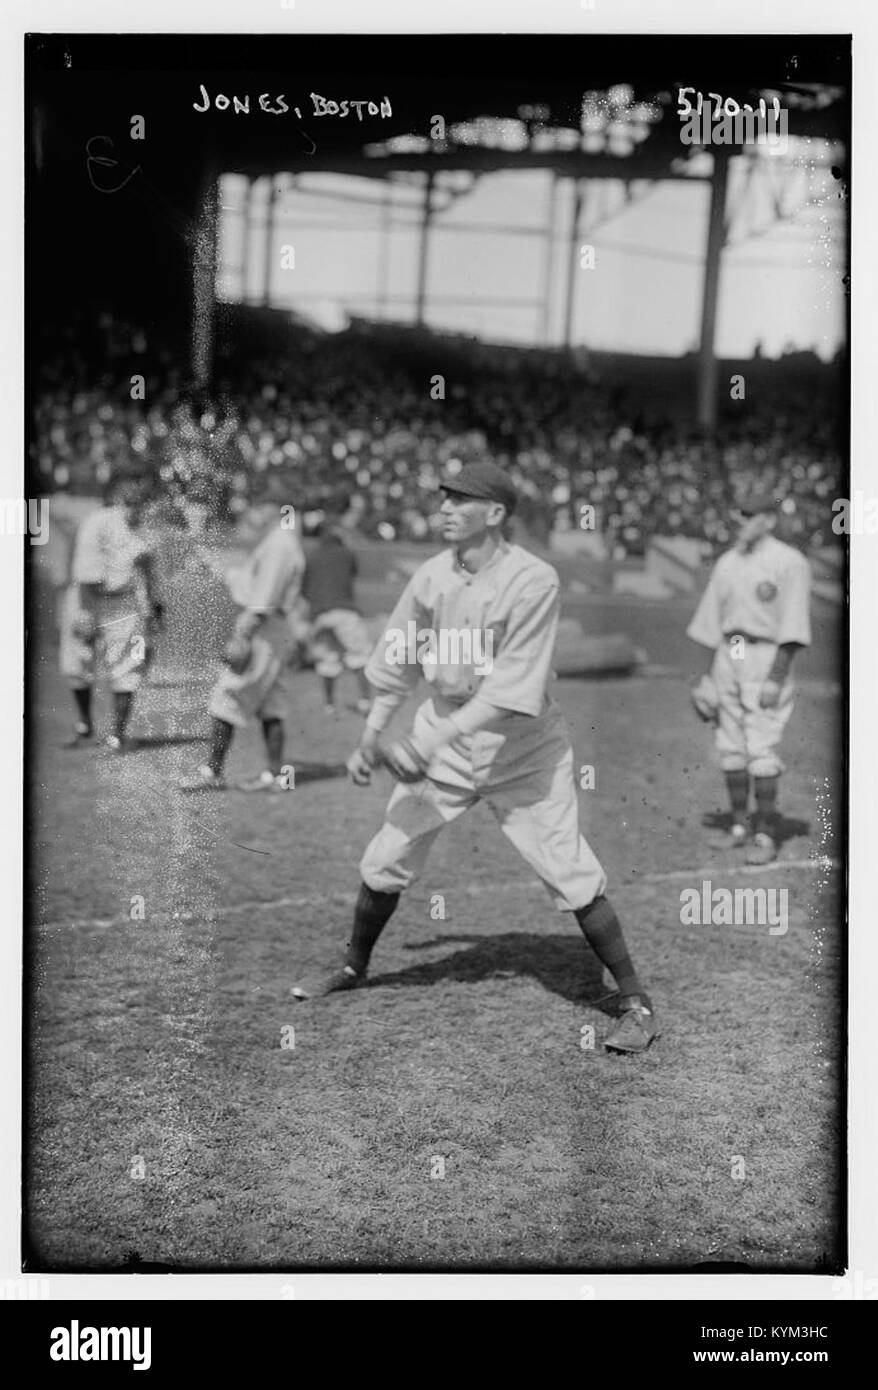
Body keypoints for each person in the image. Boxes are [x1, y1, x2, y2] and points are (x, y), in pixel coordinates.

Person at [292, 460, 659, 1054]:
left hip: (524, 749)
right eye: (443, 497)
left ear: (495, 513)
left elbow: (511, 691)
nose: (444, 507)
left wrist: (426, 742)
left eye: (460, 499)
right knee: (385, 857)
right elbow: (397, 661)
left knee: (570, 872)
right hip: (446, 739)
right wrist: (370, 735)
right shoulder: (431, 576)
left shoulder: (533, 580)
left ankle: (636, 1002)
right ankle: (353, 966)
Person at [687, 489, 811, 865]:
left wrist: (776, 677)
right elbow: (710, 624)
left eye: (748, 515)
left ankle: (765, 832)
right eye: (737, 514)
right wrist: (705, 678)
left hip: (764, 653)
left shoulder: (789, 562)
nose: (739, 521)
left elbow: (793, 625)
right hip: (733, 650)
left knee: (761, 744)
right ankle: (740, 826)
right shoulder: (728, 562)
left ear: (768, 520)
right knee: (730, 743)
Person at [180, 498, 306, 793]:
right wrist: (217, 566)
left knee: (229, 693)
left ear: (274, 510)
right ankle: (275, 776)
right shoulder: (280, 542)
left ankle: (212, 772)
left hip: (262, 627)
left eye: (259, 508)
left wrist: (243, 635)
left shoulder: (280, 544)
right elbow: (250, 583)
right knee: (271, 703)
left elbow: (263, 599)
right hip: (272, 627)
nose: (254, 515)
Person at [59, 476, 163, 752]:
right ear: (119, 501)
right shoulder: (99, 522)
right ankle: (85, 724)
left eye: (142, 503)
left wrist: (152, 608)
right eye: (132, 502)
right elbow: (88, 576)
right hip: (88, 598)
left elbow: (147, 572)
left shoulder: (145, 530)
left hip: (124, 601)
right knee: (78, 663)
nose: (137, 508)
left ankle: (117, 734)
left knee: (129, 665)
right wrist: (86, 617)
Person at [302, 519, 373, 715]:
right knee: (359, 657)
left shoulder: (312, 556)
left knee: (328, 660)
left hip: (320, 614)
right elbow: (351, 575)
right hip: (345, 611)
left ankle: (329, 704)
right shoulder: (347, 554)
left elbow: (305, 590)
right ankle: (365, 701)